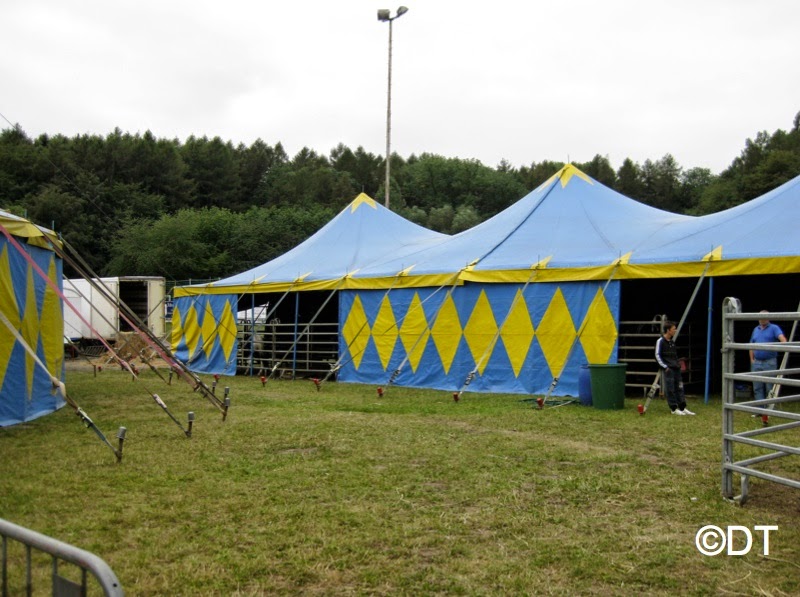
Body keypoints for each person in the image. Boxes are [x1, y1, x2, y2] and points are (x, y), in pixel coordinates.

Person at [655, 321, 695, 415]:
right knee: (671, 389)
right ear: (668, 330)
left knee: (680, 387)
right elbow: (657, 356)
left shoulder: (672, 342)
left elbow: (674, 356)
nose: (675, 330)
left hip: (676, 368)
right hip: (669, 369)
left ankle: (682, 407)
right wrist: (665, 367)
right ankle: (673, 408)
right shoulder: (660, 341)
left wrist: (678, 364)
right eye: (674, 329)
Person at [749, 311, 788, 403]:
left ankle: (768, 410)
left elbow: (783, 340)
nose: (761, 319)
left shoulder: (774, 328)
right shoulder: (756, 329)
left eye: (763, 317)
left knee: (769, 387)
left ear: (768, 318)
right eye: (760, 317)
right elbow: (751, 345)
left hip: (769, 362)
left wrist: (784, 345)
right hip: (756, 362)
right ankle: (760, 410)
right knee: (757, 387)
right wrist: (752, 359)